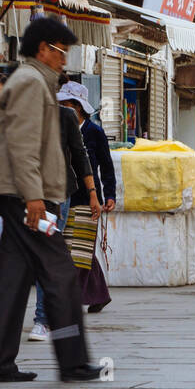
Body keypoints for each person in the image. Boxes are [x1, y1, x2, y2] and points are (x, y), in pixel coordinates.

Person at [0, 17, 100, 382]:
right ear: (44, 50)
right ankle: (72, 361)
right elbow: (24, 145)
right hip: (25, 197)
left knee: (13, 280)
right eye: (62, 53)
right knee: (62, 274)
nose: (65, 61)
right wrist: (34, 198)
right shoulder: (32, 83)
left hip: (13, 193)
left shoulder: (30, 81)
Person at [30, 86, 97, 340]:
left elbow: (80, 156)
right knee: (43, 255)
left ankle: (43, 319)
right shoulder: (22, 115)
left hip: (57, 195)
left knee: (47, 252)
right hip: (26, 194)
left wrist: (92, 193)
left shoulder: (65, 116)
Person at [57, 81, 115, 313]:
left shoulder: (94, 132)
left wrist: (108, 194)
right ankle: (98, 294)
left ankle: (70, 300)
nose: (62, 107)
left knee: (79, 250)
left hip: (87, 198)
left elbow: (106, 166)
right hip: (62, 195)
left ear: (78, 107)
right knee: (73, 248)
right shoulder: (58, 128)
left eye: (67, 104)